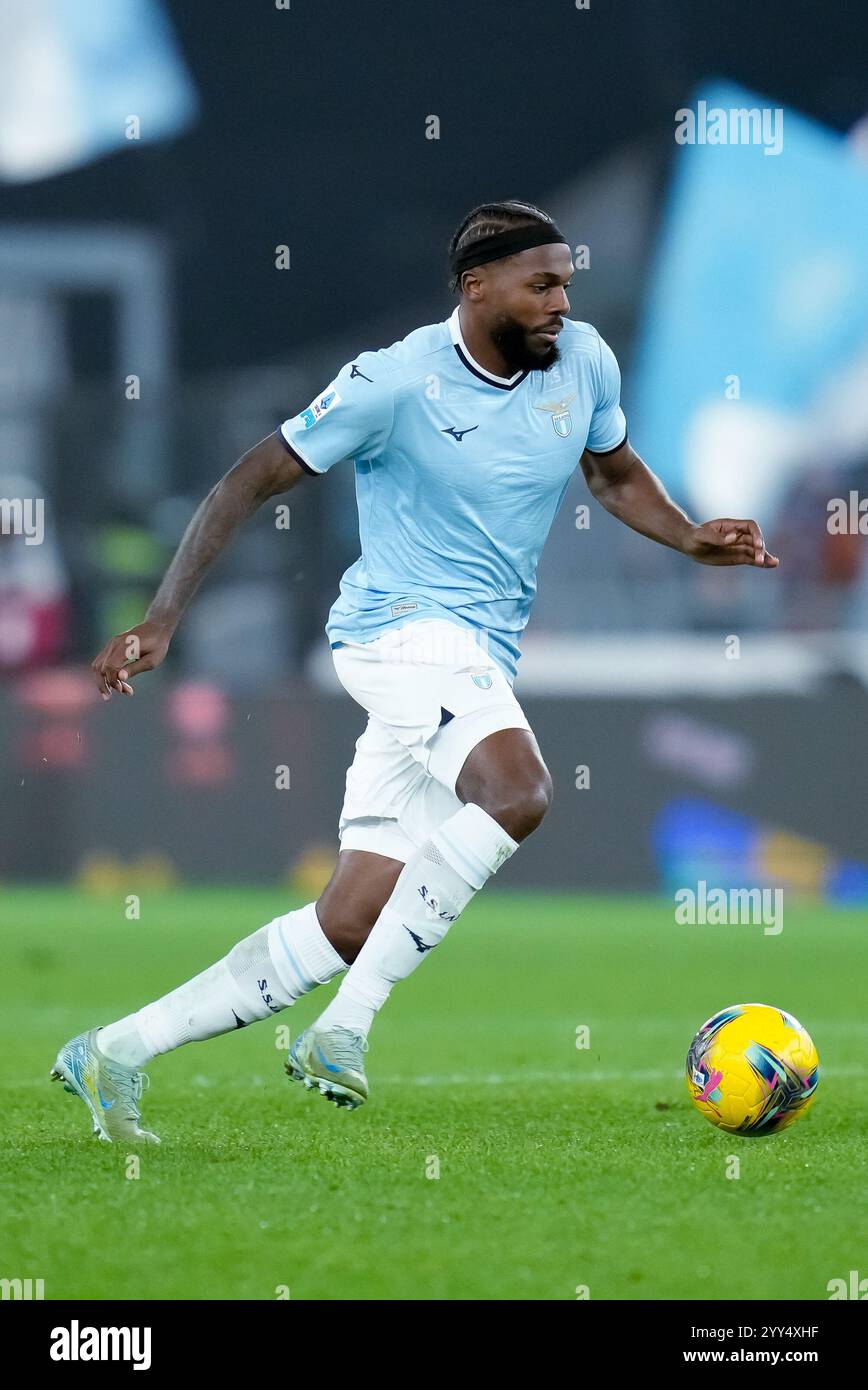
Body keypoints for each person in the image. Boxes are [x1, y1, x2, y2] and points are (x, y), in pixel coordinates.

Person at [52, 200, 778, 1142]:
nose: (563, 301)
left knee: (350, 919)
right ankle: (343, 1031)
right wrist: (161, 617)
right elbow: (248, 478)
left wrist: (689, 537)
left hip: (475, 651)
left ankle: (113, 1051)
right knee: (518, 792)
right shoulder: (393, 383)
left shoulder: (584, 361)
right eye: (543, 284)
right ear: (477, 288)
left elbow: (612, 470)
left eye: (567, 282)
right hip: (394, 633)